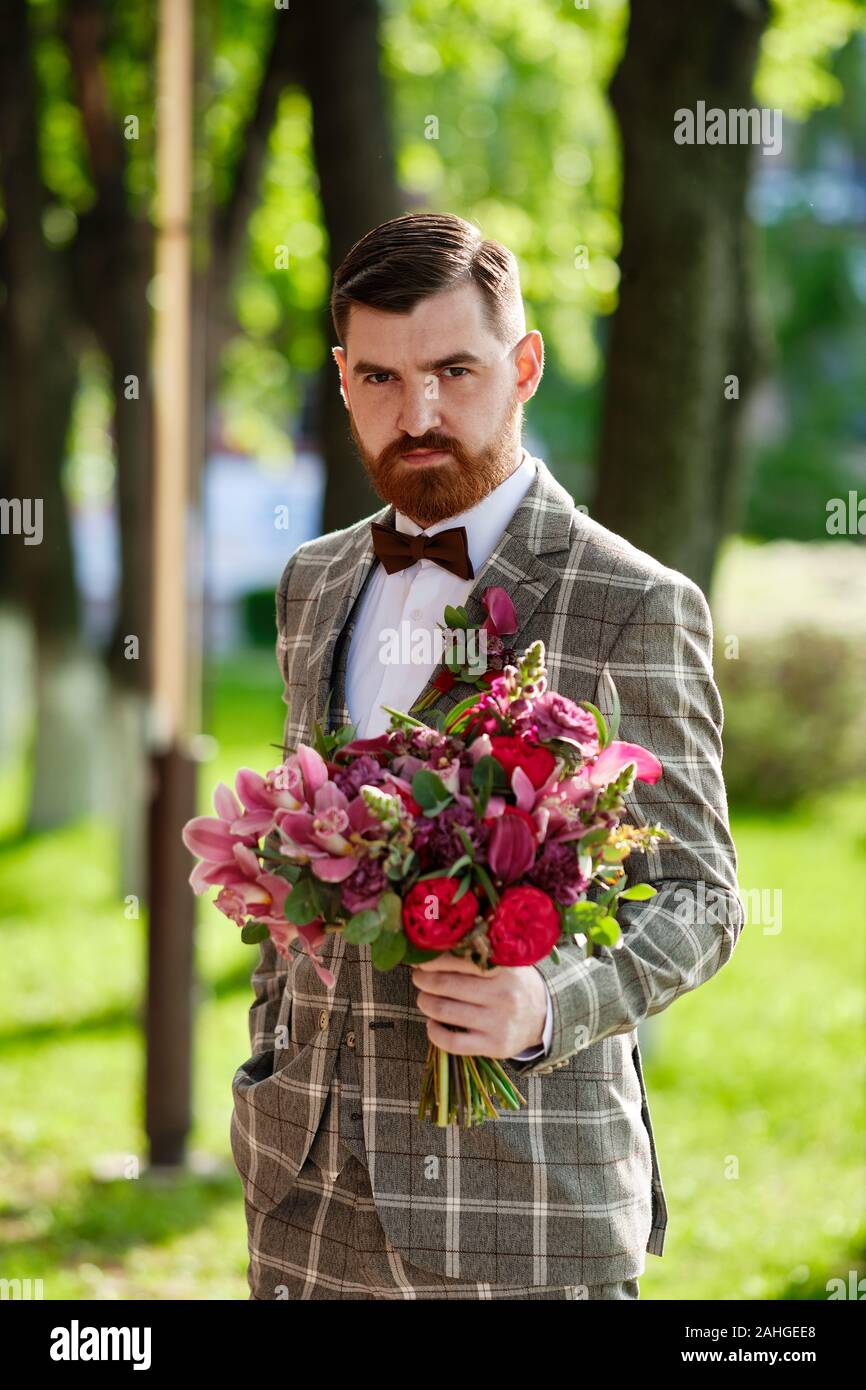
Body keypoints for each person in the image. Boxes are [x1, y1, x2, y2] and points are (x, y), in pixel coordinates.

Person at [230, 212, 744, 1300]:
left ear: (522, 365)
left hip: (520, 1212)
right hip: (303, 1200)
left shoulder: (631, 602)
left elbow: (699, 898)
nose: (415, 415)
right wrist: (269, 1046)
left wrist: (547, 1002)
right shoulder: (313, 582)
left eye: (452, 371)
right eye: (378, 378)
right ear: (339, 377)